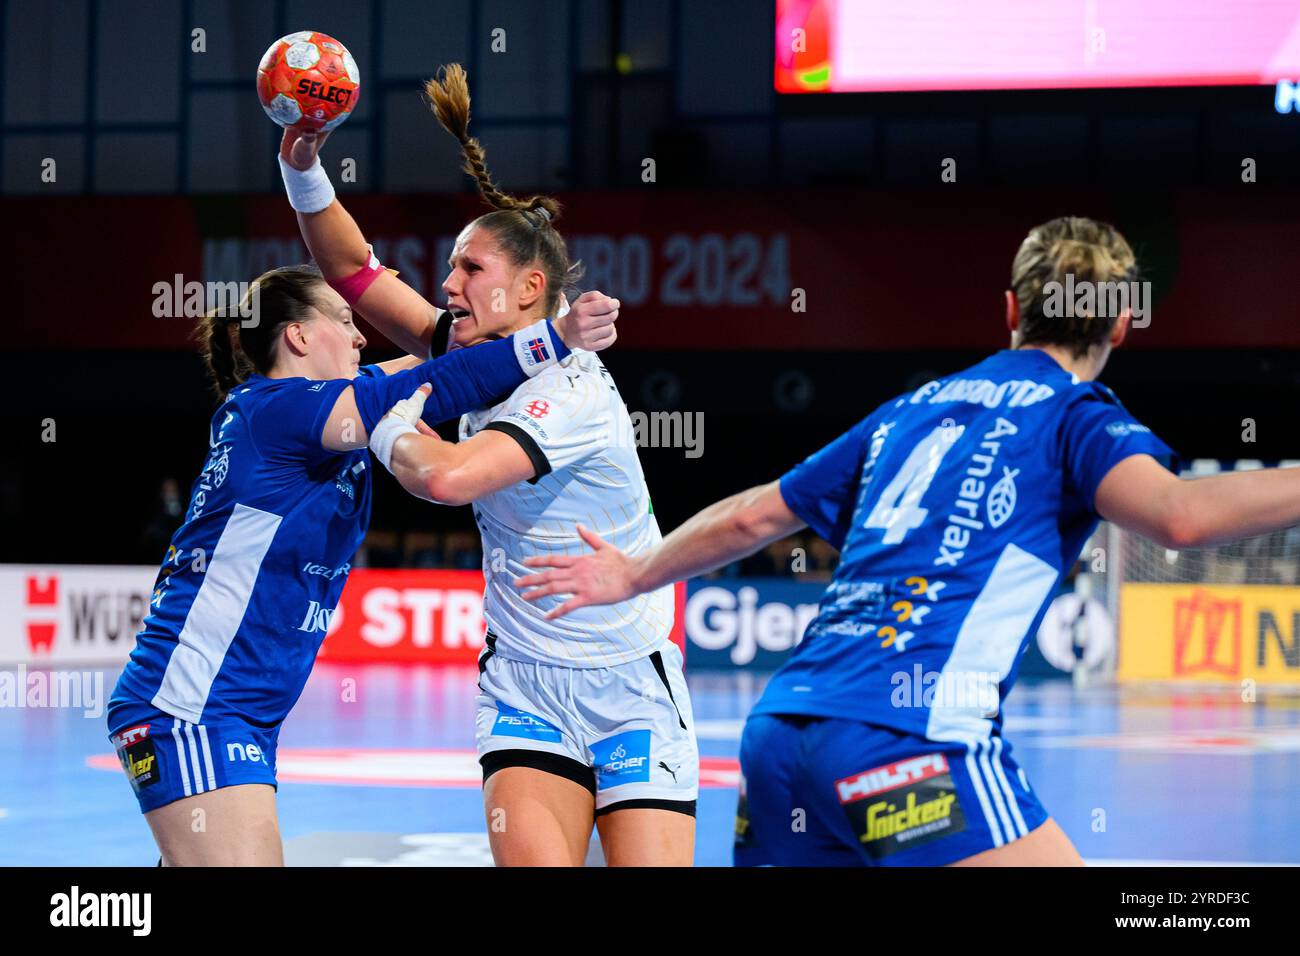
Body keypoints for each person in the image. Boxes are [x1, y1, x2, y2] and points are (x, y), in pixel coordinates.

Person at [516, 216, 1300, 866]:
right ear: (1123, 325)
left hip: (781, 739)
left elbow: (755, 516)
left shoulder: (915, 409)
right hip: (911, 746)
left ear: (1010, 310)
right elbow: (1179, 515)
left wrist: (634, 573)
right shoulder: (1074, 414)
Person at [281, 64, 698, 867]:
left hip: (630, 686)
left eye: (470, 270)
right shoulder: (470, 353)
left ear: (530, 288)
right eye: (451, 268)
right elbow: (352, 273)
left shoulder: (573, 391)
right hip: (524, 686)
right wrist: (302, 165)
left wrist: (379, 414)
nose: (447, 284)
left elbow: (447, 477)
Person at [106, 263, 616, 866]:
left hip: (240, 711)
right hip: (193, 707)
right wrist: (556, 338)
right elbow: (444, 382)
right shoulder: (278, 410)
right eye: (345, 320)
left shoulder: (314, 412)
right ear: (298, 336)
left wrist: (473, 318)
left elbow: (435, 361)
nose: (359, 336)